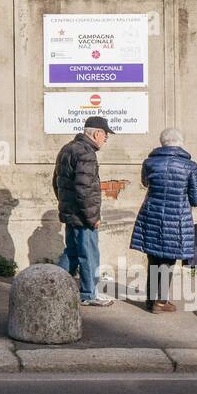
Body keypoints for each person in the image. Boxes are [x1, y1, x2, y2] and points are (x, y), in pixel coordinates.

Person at [130, 127, 197, 312]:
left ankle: (150, 300)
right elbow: (196, 199)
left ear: (162, 143)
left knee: (153, 256)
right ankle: (161, 302)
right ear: (180, 143)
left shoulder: (150, 163)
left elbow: (145, 183)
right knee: (168, 260)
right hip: (176, 218)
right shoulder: (190, 166)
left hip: (151, 214)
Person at [53, 115, 115, 307]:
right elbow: (84, 189)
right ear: (97, 133)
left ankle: (53, 286)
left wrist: (66, 204)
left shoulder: (67, 148)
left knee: (72, 252)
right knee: (89, 254)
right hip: (82, 215)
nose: (106, 139)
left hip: (71, 212)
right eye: (105, 135)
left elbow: (56, 182)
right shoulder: (86, 153)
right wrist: (92, 217)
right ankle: (89, 294)